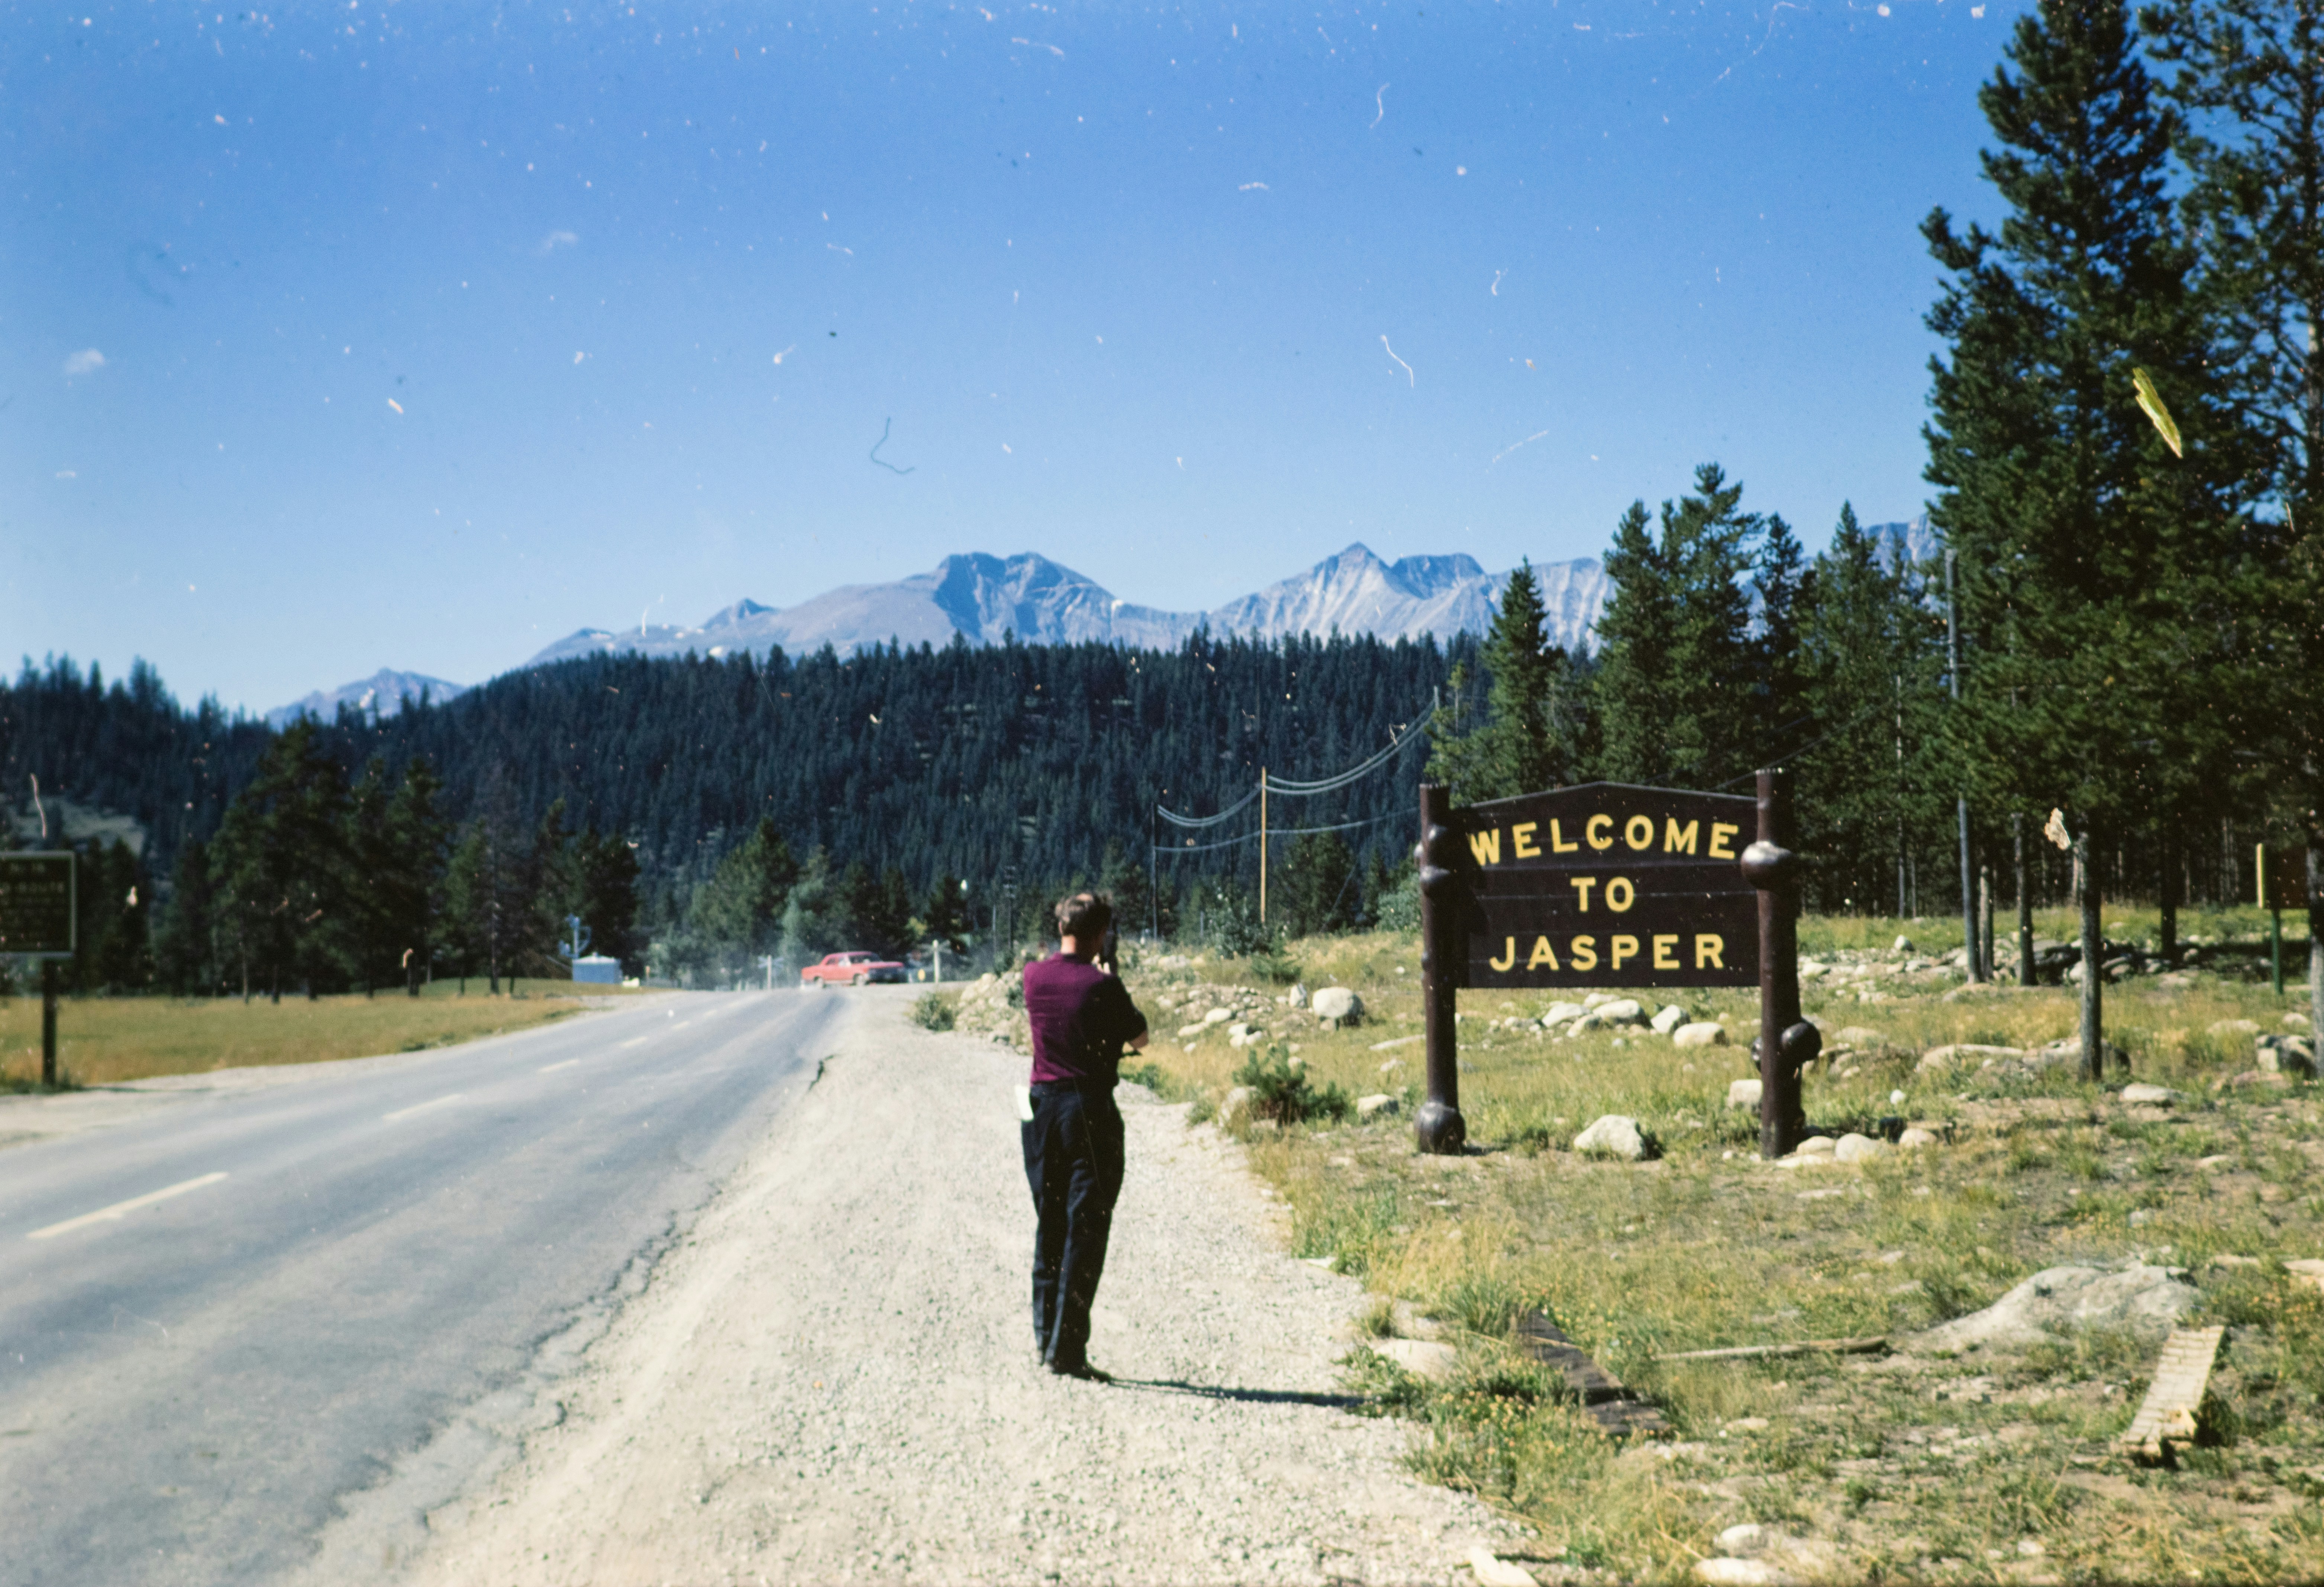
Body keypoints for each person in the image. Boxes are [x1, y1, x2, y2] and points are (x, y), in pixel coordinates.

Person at [1019, 891, 1149, 1381]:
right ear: (1099, 933)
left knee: (1050, 1221)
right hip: (1089, 1111)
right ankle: (1068, 1351)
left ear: (1060, 929)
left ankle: (1044, 1337)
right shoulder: (1103, 986)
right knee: (1086, 1229)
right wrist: (1113, 979)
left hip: (1040, 1109)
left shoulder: (1033, 976)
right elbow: (1140, 1038)